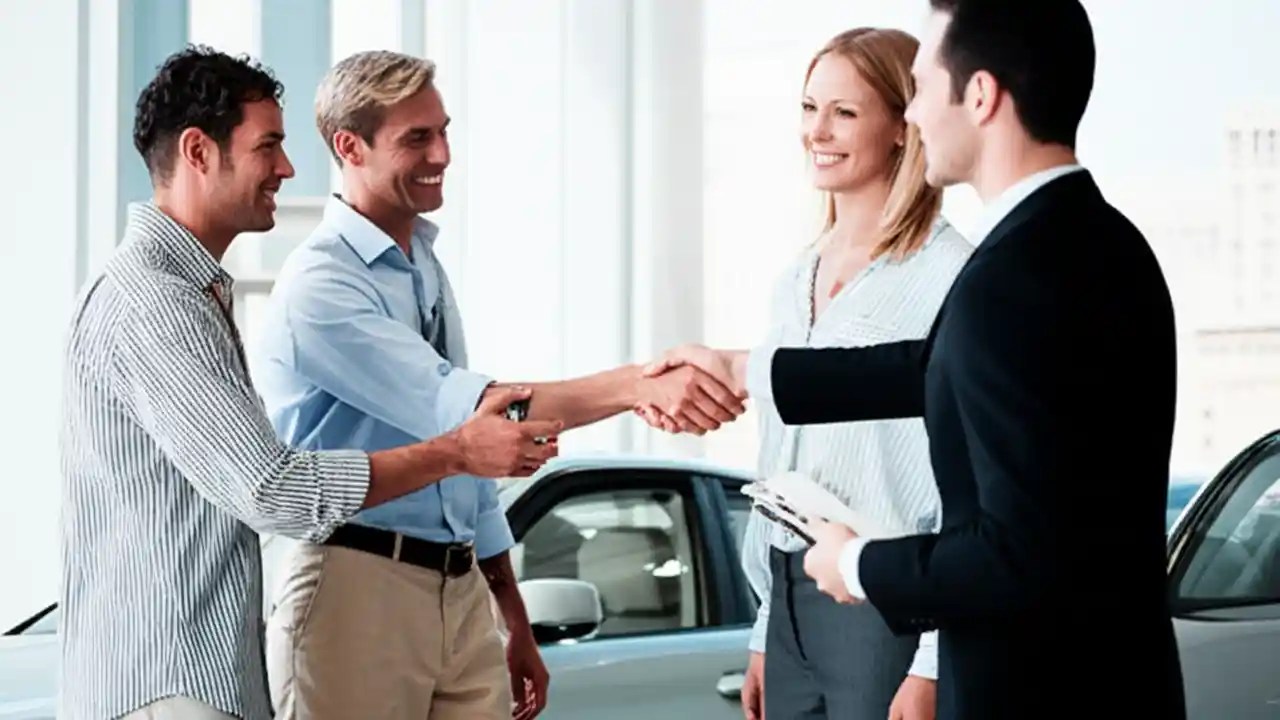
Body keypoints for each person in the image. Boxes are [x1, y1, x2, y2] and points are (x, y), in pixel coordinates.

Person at [641, 2, 1187, 719]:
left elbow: (1016, 551)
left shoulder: (1008, 275)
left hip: (1037, 685)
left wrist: (856, 563)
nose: (918, 116)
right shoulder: (1096, 243)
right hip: (1104, 674)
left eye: (924, 87)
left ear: (982, 97)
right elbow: (931, 370)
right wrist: (747, 370)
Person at [58, 46, 560, 720]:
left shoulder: (185, 293)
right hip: (168, 682)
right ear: (199, 152)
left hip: (193, 674)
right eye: (269, 146)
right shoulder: (156, 302)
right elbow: (273, 489)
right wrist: (457, 450)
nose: (288, 168)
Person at [248, 50, 745, 720]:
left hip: (457, 589)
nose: (442, 153)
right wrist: (638, 384)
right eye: (417, 137)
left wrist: (510, 613)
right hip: (355, 590)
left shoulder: (421, 262)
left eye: (444, 130)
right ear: (350, 146)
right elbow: (479, 410)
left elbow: (469, 466)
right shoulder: (322, 286)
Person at [642, 27, 970, 720]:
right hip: (790, 595)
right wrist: (767, 630)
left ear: (903, 127)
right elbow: (778, 454)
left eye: (845, 112)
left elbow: (964, 485)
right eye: (808, 106)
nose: (816, 130)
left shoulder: (950, 277)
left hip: (885, 610)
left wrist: (934, 662)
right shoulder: (796, 278)